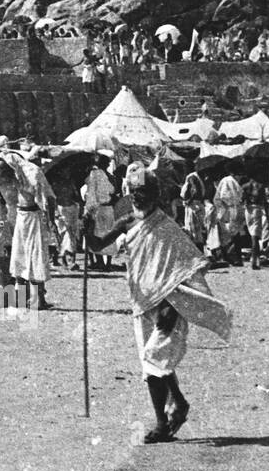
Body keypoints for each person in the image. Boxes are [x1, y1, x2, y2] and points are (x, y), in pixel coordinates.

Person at [86, 171, 232, 443]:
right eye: (133, 192)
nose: (137, 197)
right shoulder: (127, 222)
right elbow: (98, 246)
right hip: (141, 302)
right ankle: (180, 403)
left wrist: (172, 303)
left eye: (143, 192)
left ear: (155, 195)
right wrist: (87, 230)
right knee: (155, 363)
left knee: (153, 360)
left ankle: (162, 424)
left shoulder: (167, 226)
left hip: (169, 306)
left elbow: (188, 266)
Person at [3, 153, 56, 310]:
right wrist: (51, 220)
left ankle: (35, 299)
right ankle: (34, 299)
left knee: (28, 255)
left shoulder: (25, 174)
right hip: (27, 217)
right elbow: (50, 198)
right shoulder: (28, 174)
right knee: (30, 255)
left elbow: (48, 198)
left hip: (29, 216)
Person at [210, 170, 245, 266]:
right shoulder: (228, 181)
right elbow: (224, 196)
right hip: (227, 210)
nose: (240, 177)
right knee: (229, 234)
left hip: (231, 209)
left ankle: (233, 257)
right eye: (239, 175)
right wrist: (231, 205)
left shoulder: (232, 181)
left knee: (232, 234)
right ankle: (229, 257)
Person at [241, 174, 268, 271]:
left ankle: (254, 260)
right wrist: (268, 218)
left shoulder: (245, 186)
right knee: (255, 237)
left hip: (248, 210)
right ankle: (255, 260)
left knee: (252, 235)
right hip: (257, 209)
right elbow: (265, 202)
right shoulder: (260, 186)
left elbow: (242, 199)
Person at [179, 168, 208, 251]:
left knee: (194, 231)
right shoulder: (197, 177)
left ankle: (199, 252)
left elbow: (195, 191)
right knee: (198, 231)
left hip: (193, 207)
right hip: (197, 205)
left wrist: (189, 200)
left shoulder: (192, 177)